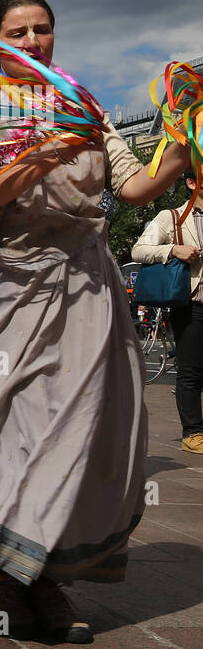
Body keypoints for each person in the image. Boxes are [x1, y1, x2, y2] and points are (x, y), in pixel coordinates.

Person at [0, 0, 190, 643]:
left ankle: (44, 575)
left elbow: (133, 184)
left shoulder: (84, 107)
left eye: (43, 29)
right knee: (7, 430)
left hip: (84, 282)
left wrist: (183, 144)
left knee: (80, 426)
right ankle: (5, 573)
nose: (32, 42)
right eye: (17, 32)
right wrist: (44, 156)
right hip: (2, 287)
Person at [132, 173, 203, 455]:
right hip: (192, 304)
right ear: (191, 183)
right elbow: (140, 250)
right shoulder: (172, 217)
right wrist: (174, 249)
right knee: (191, 371)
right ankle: (193, 432)